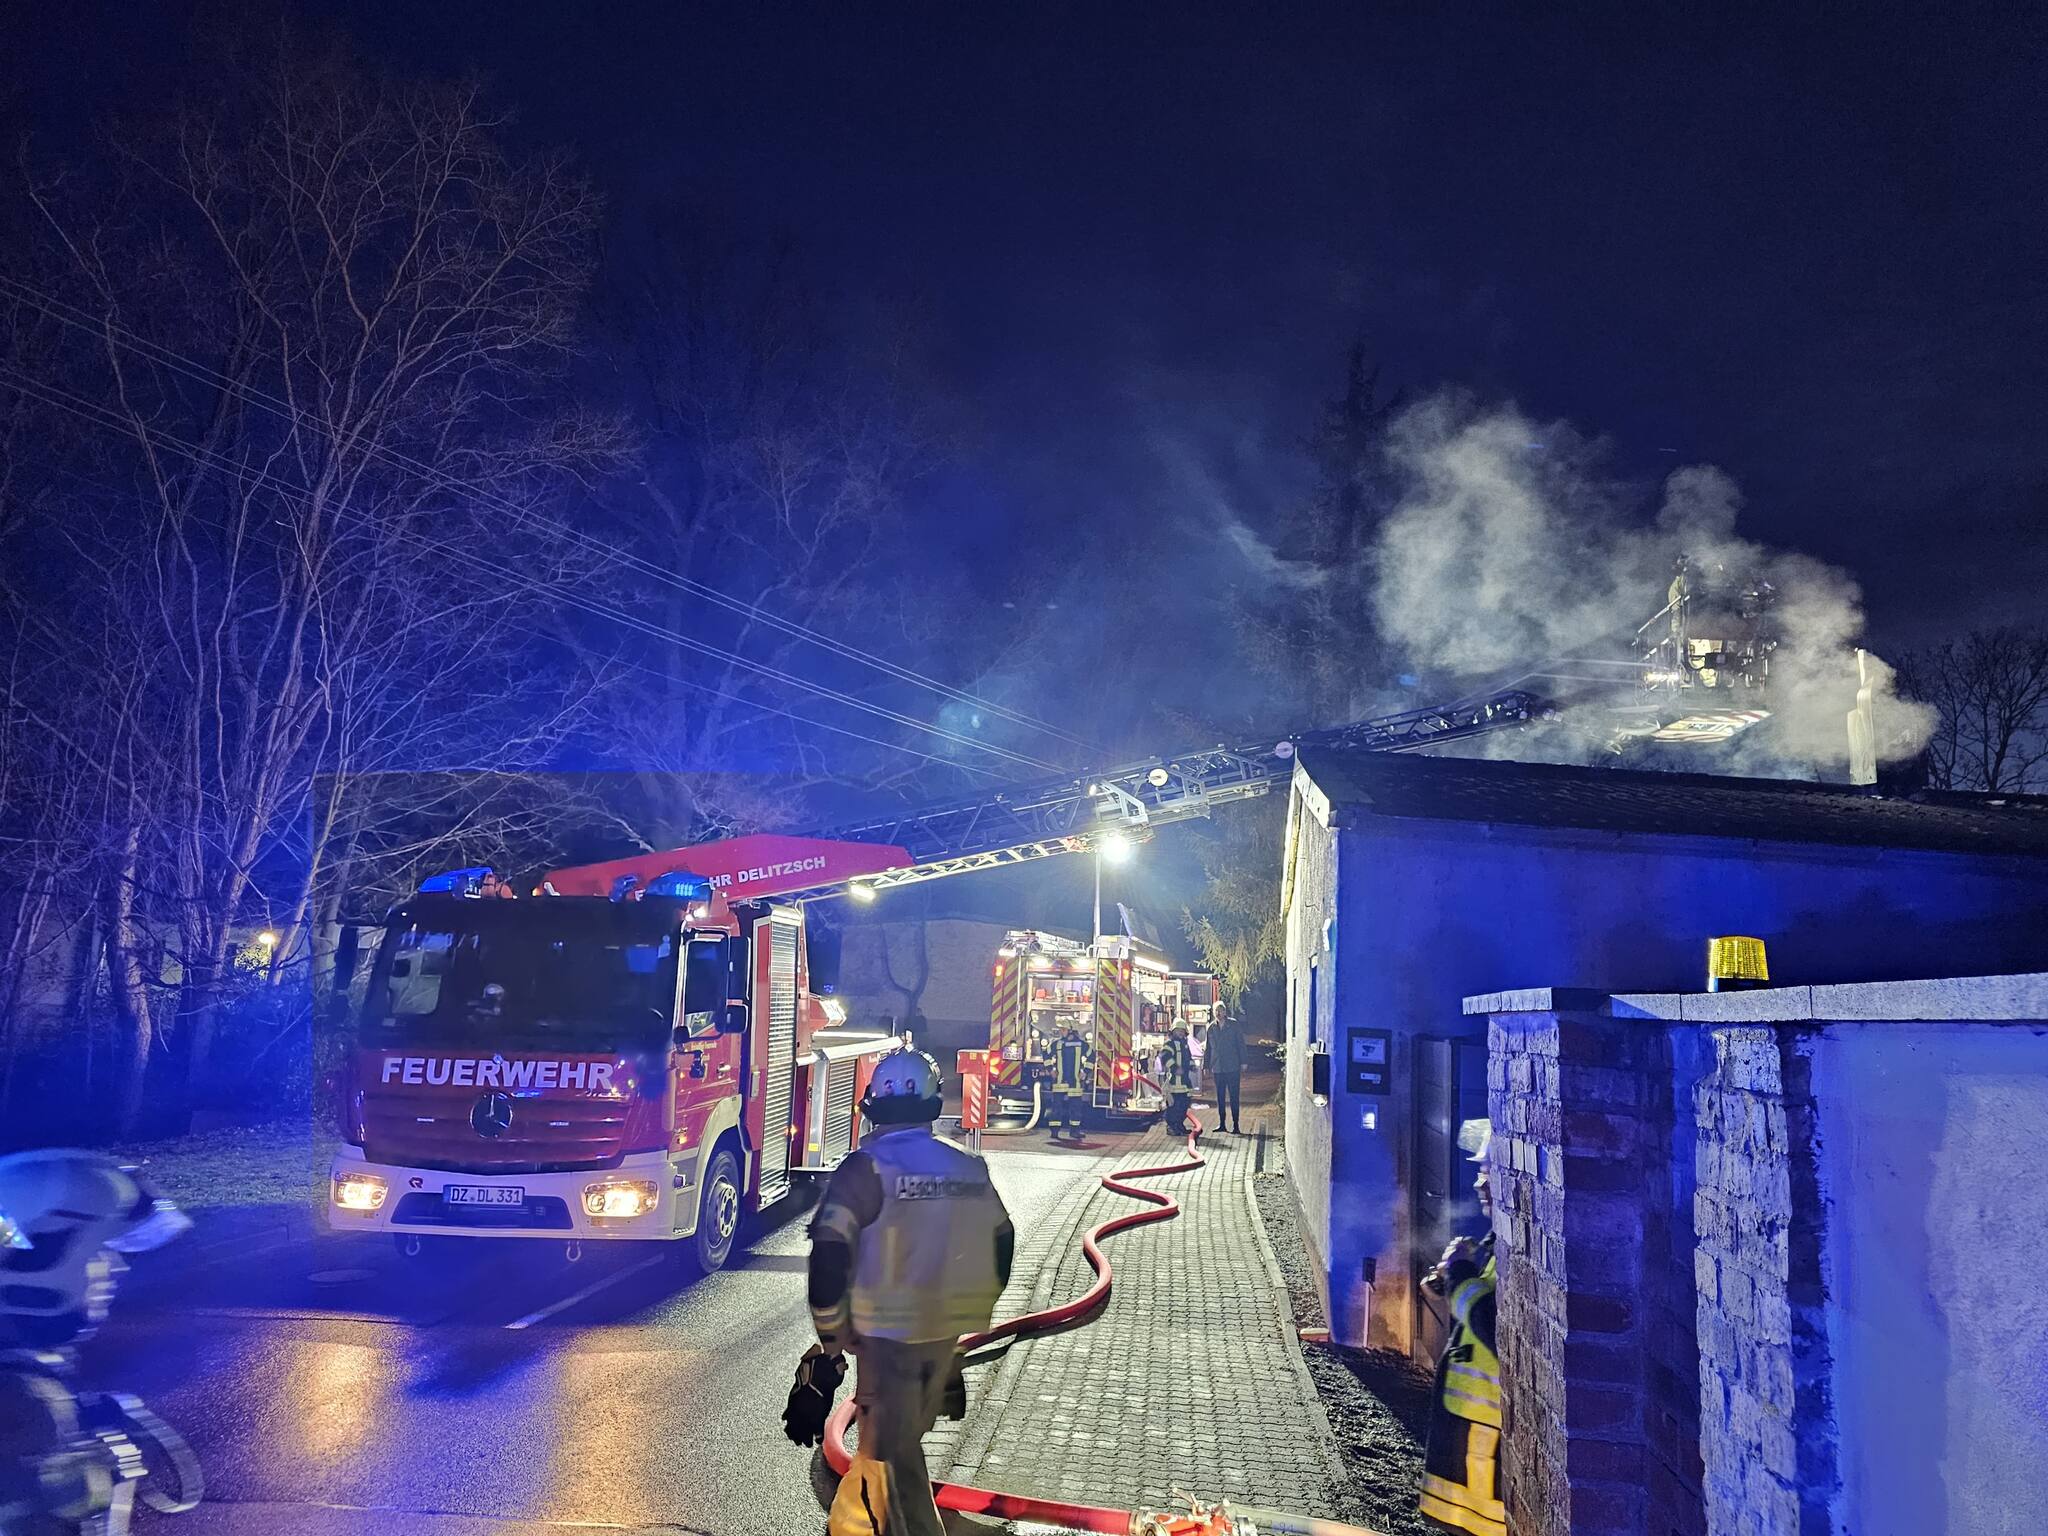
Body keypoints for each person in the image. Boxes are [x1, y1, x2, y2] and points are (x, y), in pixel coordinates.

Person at [807, 1050, 1014, 1536]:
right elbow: (1001, 1240)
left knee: (887, 1456)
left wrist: (830, 1340)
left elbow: (829, 1254)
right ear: (931, 1103)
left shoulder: (866, 1168)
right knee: (897, 1449)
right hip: (942, 1338)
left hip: (884, 1341)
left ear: (872, 1106)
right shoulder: (968, 1168)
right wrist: (973, 1306)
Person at [0, 1150, 193, 1535]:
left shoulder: (26, 1384)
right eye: (104, 1250)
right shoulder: (29, 1408)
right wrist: (85, 1471)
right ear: (49, 1252)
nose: (117, 1268)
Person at [1418, 1121, 1505, 1536]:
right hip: (1468, 1430)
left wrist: (1461, 1276)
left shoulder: (1516, 1252)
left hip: (1484, 1445)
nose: (1477, 1181)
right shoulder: (1496, 1243)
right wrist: (1450, 1281)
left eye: (1486, 1169)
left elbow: (1493, 1326)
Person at [1203, 1008, 1247, 1134]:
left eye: (1221, 1010)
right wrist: (1206, 1066)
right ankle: (1222, 1124)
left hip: (1232, 1066)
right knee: (1220, 1097)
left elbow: (1241, 1044)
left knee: (1234, 1096)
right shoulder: (1211, 1028)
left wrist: (1244, 1061)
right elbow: (1208, 1049)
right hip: (1218, 1067)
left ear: (1225, 1012)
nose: (1218, 1013)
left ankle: (1236, 1125)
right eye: (1216, 1011)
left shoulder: (1233, 1025)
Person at [1046, 1022, 1090, 1143]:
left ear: (1071, 1031)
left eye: (1063, 1030)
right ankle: (1055, 1132)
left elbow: (1092, 1055)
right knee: (1057, 1108)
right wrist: (1051, 1069)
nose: (1061, 1032)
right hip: (1061, 1082)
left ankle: (1074, 1131)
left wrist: (1085, 1071)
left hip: (1074, 1082)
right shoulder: (1058, 1044)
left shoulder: (1080, 1044)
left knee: (1075, 1108)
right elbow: (1046, 1054)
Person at [1160, 1021, 1198, 1136]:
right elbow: (1165, 1057)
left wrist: (1192, 1066)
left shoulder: (1184, 1044)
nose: (1180, 1033)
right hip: (1174, 1082)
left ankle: (1179, 1125)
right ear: (1173, 1031)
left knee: (1184, 1105)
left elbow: (1188, 1058)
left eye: (1182, 1031)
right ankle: (1171, 1126)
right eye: (1178, 1030)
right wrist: (1175, 1068)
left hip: (1185, 1082)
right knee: (1174, 1106)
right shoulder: (1169, 1044)